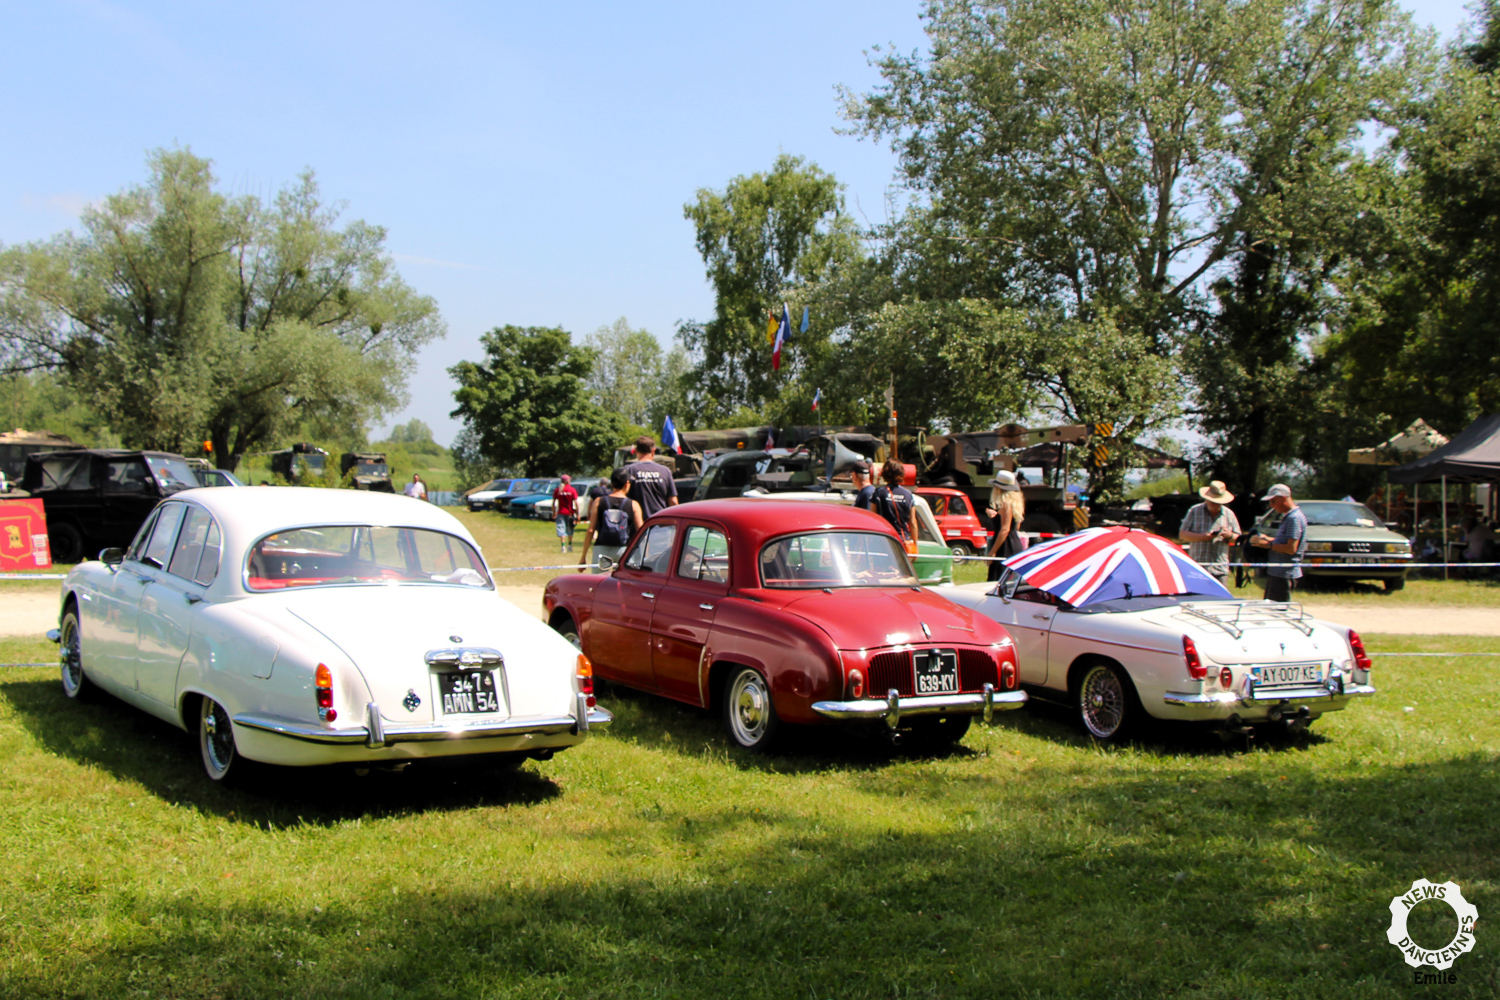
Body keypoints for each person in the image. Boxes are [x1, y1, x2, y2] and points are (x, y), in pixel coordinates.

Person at [579, 468, 644, 572]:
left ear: (612, 484)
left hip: (602, 549)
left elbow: (591, 530)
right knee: (625, 585)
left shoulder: (599, 501)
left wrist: (583, 557)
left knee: (599, 584)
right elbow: (641, 532)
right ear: (627, 484)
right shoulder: (633, 505)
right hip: (625, 550)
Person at [1250, 484, 1307, 602]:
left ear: (1283, 498)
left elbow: (1291, 548)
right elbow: (1284, 542)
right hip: (1278, 572)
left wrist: (1267, 545)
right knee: (1269, 608)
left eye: (1273, 501)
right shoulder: (1289, 516)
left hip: (1284, 573)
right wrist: (1266, 539)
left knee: (1278, 612)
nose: (1271, 505)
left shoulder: (1294, 518)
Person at [1178, 480, 1242, 583]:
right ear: (1206, 499)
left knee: (1219, 599)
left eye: (1219, 503)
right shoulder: (1194, 511)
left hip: (1220, 568)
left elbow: (1239, 540)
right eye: (1213, 502)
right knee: (1196, 598)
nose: (1215, 505)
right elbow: (1183, 534)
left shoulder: (1229, 514)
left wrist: (1229, 536)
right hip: (1198, 567)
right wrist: (1204, 537)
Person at [983, 470, 1026, 582]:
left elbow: (1004, 530)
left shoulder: (1006, 504)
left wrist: (992, 552)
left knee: (998, 581)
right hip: (1014, 544)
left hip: (1005, 547)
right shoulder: (1015, 504)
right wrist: (996, 515)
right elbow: (1015, 527)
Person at [621, 436, 679, 518]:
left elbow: (620, 498)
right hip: (659, 523)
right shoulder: (665, 471)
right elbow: (673, 501)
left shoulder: (628, 470)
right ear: (653, 451)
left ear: (636, 451)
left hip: (636, 525)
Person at [870, 458, 918, 546]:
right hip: (902, 540)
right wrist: (915, 544)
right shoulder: (908, 494)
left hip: (884, 538)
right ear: (901, 473)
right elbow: (913, 522)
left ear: (884, 473)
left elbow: (873, 518)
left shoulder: (879, 493)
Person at [552, 474, 579, 553]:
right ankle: (570, 545)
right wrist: (578, 513)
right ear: (567, 481)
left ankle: (563, 546)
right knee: (570, 528)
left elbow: (553, 503)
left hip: (561, 512)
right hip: (570, 513)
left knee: (561, 529)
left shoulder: (558, 490)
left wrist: (554, 512)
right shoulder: (572, 490)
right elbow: (576, 503)